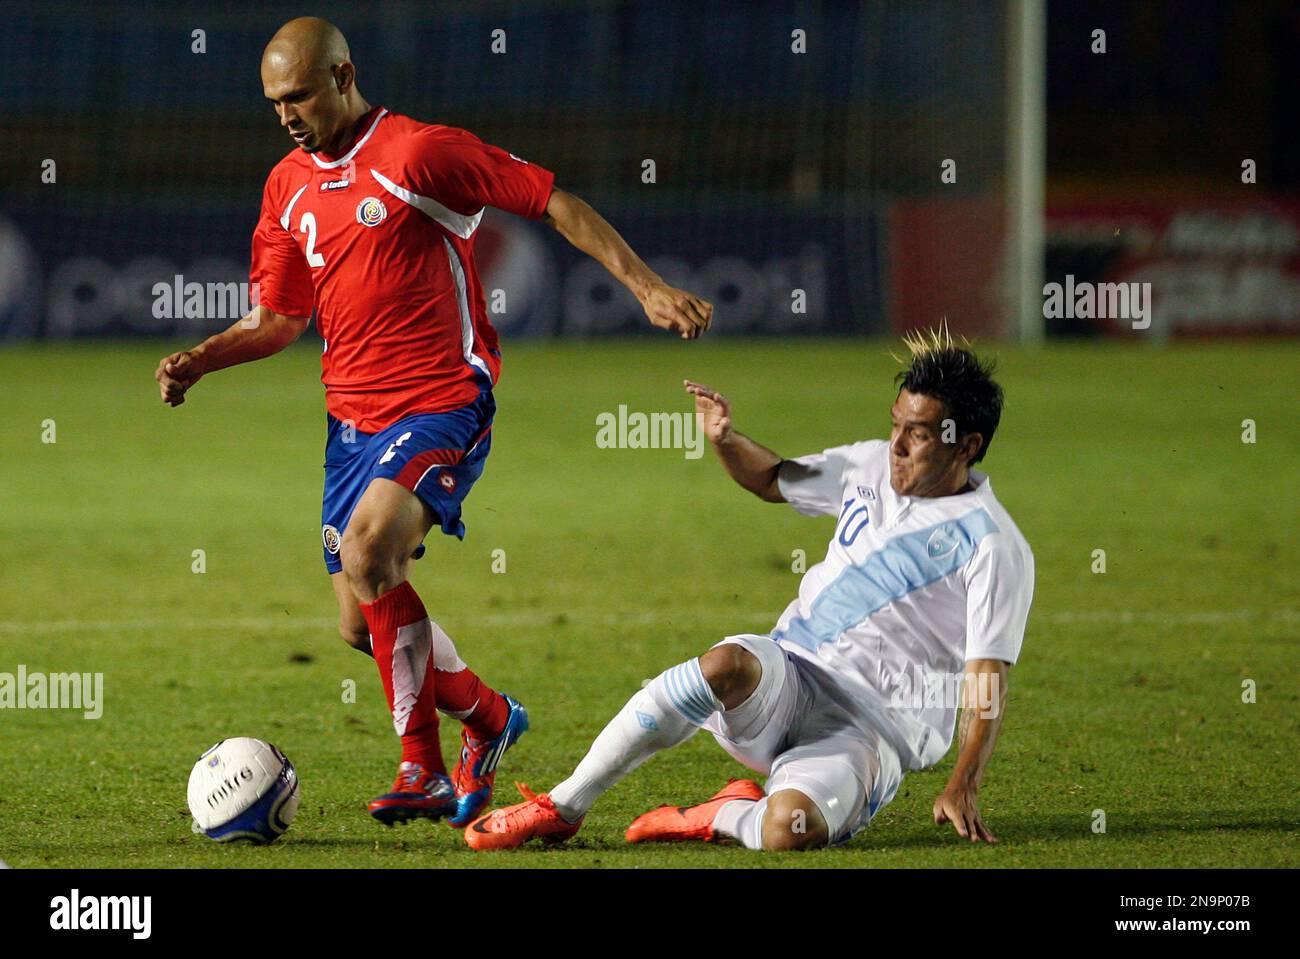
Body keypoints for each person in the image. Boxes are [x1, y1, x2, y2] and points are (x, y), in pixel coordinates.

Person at [154, 16, 713, 829]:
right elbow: (278, 318)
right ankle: (488, 716)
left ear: (345, 77)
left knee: (369, 551)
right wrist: (201, 358)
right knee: (358, 620)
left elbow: (552, 201)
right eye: (275, 100)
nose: (285, 113)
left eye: (299, 95)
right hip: (351, 424)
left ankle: (419, 768)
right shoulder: (287, 185)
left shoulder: (418, 152)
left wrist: (647, 286)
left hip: (444, 396)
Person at [465, 330, 1033, 850]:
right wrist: (726, 438)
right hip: (790, 673)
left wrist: (964, 783)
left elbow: (987, 675)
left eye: (918, 434)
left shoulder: (993, 545)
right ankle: (562, 805)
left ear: (966, 445)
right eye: (895, 426)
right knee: (726, 663)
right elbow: (771, 478)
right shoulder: (867, 466)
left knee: (790, 830)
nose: (897, 445)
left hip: (874, 727)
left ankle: (722, 813)